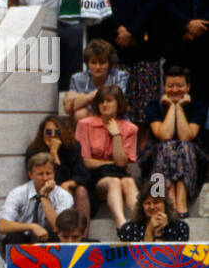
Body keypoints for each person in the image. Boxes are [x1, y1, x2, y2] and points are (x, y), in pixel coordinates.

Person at [100, 0, 163, 121]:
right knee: (122, 98)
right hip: (120, 43)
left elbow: (152, 4)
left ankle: (144, 146)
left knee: (146, 101)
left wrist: (133, 32)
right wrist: (120, 29)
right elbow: (107, 3)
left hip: (145, 42)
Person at [138, 66, 206, 218]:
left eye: (179, 86)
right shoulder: (154, 105)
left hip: (192, 164)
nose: (174, 90)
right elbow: (164, 135)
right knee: (167, 146)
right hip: (155, 168)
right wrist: (171, 107)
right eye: (170, 86)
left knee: (185, 146)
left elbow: (186, 136)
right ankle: (169, 201)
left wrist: (179, 107)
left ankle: (180, 203)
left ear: (188, 87)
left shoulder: (198, 106)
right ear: (164, 87)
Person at [76, 84, 139, 227]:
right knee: (114, 182)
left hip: (118, 174)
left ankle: (141, 223)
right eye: (101, 101)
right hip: (93, 177)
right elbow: (84, 161)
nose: (104, 105)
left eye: (109, 101)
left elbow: (121, 163)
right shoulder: (84, 124)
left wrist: (116, 135)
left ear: (119, 103)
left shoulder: (130, 128)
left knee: (128, 182)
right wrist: (109, 164)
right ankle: (121, 224)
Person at [0, 152, 75, 251]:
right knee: (14, 237)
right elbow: (2, 226)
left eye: (48, 173)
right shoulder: (18, 193)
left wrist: (44, 196)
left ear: (54, 173)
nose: (45, 178)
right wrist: (32, 227)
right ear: (30, 175)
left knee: (61, 237)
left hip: (50, 239)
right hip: (25, 238)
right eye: (40, 174)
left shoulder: (64, 196)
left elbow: (58, 227)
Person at [25, 114, 91, 223]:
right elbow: (52, 179)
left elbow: (84, 175)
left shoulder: (72, 147)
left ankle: (82, 235)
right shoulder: (34, 151)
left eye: (57, 133)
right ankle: (65, 228)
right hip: (45, 190)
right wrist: (53, 153)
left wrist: (69, 183)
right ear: (42, 133)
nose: (53, 136)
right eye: (48, 132)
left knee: (81, 191)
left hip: (70, 191)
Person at [62, 39, 129, 123]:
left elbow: (119, 105)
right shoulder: (77, 78)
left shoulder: (120, 76)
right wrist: (92, 96)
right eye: (93, 62)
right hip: (89, 121)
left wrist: (83, 97)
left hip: (114, 120)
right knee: (80, 114)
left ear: (109, 63)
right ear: (87, 63)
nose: (97, 67)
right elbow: (68, 108)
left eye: (102, 62)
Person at [117, 181, 190, 242]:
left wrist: (158, 232)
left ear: (165, 204)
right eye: (147, 203)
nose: (152, 207)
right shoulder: (129, 229)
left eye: (156, 202)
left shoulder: (180, 228)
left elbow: (171, 257)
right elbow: (138, 257)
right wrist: (149, 231)